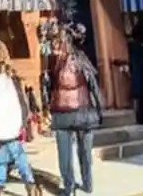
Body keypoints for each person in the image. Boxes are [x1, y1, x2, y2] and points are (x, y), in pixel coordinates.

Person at [0, 39, 41, 196]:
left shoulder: (9, 74)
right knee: (0, 156)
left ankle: (28, 185)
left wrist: (23, 120)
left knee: (14, 155)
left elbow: (20, 99)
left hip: (8, 121)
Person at [47, 23, 102, 196]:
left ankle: (69, 187)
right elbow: (94, 85)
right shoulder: (83, 59)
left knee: (65, 154)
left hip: (62, 110)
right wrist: (99, 110)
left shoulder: (54, 60)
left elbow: (47, 85)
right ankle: (87, 183)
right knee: (84, 152)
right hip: (83, 110)